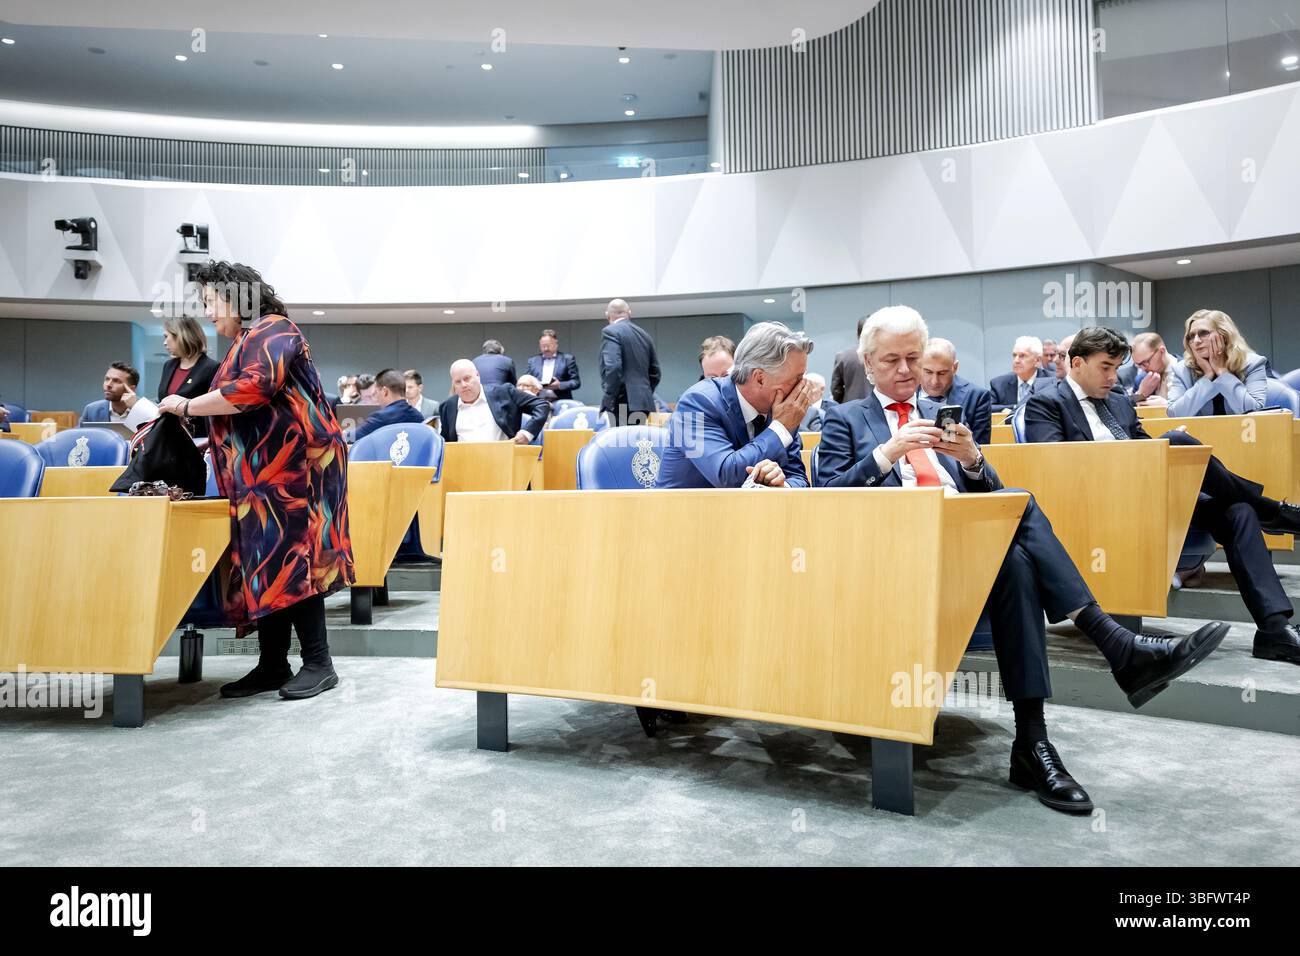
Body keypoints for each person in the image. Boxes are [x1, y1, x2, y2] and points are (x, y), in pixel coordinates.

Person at [815, 306, 1227, 815]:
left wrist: (971, 460)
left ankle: (1034, 742)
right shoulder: (844, 419)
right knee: (1023, 511)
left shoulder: (944, 416)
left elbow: (985, 490)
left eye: (913, 359)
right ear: (868, 363)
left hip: (964, 548)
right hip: (893, 558)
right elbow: (828, 499)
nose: (904, 370)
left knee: (1015, 554)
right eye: (892, 360)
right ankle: (1111, 646)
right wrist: (888, 454)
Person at [1024, 326, 1300, 665]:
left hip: (1152, 490)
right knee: (1179, 442)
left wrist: (1158, 449)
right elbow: (1055, 466)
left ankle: (1274, 630)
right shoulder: (1047, 403)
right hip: (1102, 502)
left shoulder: (1119, 402)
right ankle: (1272, 511)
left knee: (1238, 510)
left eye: (1116, 367)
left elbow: (1139, 444)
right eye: (1105, 367)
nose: (1113, 376)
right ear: (1077, 363)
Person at [158, 260, 353, 701]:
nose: (207, 313)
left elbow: (254, 389)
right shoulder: (246, 338)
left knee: (292, 559)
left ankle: (319, 664)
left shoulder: (273, 328)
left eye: (210, 302)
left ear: (235, 297)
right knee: (263, 560)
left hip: (297, 468)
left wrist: (186, 407)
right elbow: (255, 411)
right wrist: (215, 442)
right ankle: (272, 664)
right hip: (264, 469)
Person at [658, 322, 813, 490]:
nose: (802, 387)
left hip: (748, 513)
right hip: (683, 512)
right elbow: (726, 476)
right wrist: (780, 428)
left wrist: (783, 486)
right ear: (760, 378)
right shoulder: (696, 403)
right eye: (796, 379)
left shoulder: (783, 409)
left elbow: (798, 477)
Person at [1166, 309, 1269, 416]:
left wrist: (1222, 372)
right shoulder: (1183, 370)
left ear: (1224, 336)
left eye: (1203, 333)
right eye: (1191, 336)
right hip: (1199, 432)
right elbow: (1174, 414)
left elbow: (1254, 412)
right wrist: (1207, 377)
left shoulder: (1252, 364)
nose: (1196, 341)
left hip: (1242, 431)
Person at [439, 359, 548, 443]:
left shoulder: (504, 393)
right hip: (464, 464)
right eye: (458, 381)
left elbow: (542, 405)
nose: (464, 385)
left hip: (502, 462)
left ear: (477, 375)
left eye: (467, 378)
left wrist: (527, 433)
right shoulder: (447, 407)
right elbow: (447, 442)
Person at [917, 337, 993, 444]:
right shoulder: (904, 393)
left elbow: (979, 451)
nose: (934, 381)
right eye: (928, 372)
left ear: (955, 367)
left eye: (942, 373)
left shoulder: (976, 397)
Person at [599, 298, 660, 425]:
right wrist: (642, 392)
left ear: (607, 315)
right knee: (636, 442)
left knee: (619, 443)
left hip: (621, 402)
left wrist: (609, 397)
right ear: (629, 313)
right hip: (643, 402)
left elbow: (613, 367)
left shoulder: (610, 331)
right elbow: (655, 373)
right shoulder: (644, 335)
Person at [157, 315, 218, 439]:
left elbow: (214, 408)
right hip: (167, 437)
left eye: (166, 337)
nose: (164, 343)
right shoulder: (169, 366)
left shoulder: (211, 367)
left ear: (181, 336)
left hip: (198, 439)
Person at [80, 362, 160, 430]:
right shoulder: (91, 410)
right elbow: (78, 438)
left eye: (116, 381)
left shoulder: (149, 410)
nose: (108, 385)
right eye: (107, 379)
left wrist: (136, 407)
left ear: (131, 388)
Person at [353, 368, 427, 442]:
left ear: (385, 391)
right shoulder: (418, 416)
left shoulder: (380, 418)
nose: (376, 397)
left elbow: (351, 437)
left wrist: (344, 433)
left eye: (376, 392)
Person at [988, 336, 1049, 411]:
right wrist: (1016, 408)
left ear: (1038, 360)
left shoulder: (1051, 382)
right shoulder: (999, 384)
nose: (1016, 360)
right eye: (1014, 355)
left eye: (1022, 356)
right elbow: (988, 408)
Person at [526, 330, 580, 400]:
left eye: (548, 345)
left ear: (556, 344)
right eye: (543, 346)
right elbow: (527, 382)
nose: (546, 349)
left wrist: (559, 385)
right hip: (538, 401)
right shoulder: (532, 361)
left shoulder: (568, 359)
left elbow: (576, 382)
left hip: (561, 402)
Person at [1130, 332, 1177, 406]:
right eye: (1138, 365)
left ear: (1162, 351)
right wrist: (1140, 394)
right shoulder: (1141, 379)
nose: (1142, 369)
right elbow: (1127, 407)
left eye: (1145, 362)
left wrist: (1167, 406)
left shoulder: (1188, 371)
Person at [831, 317, 869, 404]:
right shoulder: (885, 357)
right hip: (880, 410)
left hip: (850, 409)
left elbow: (836, 389)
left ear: (857, 334)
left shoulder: (842, 356)